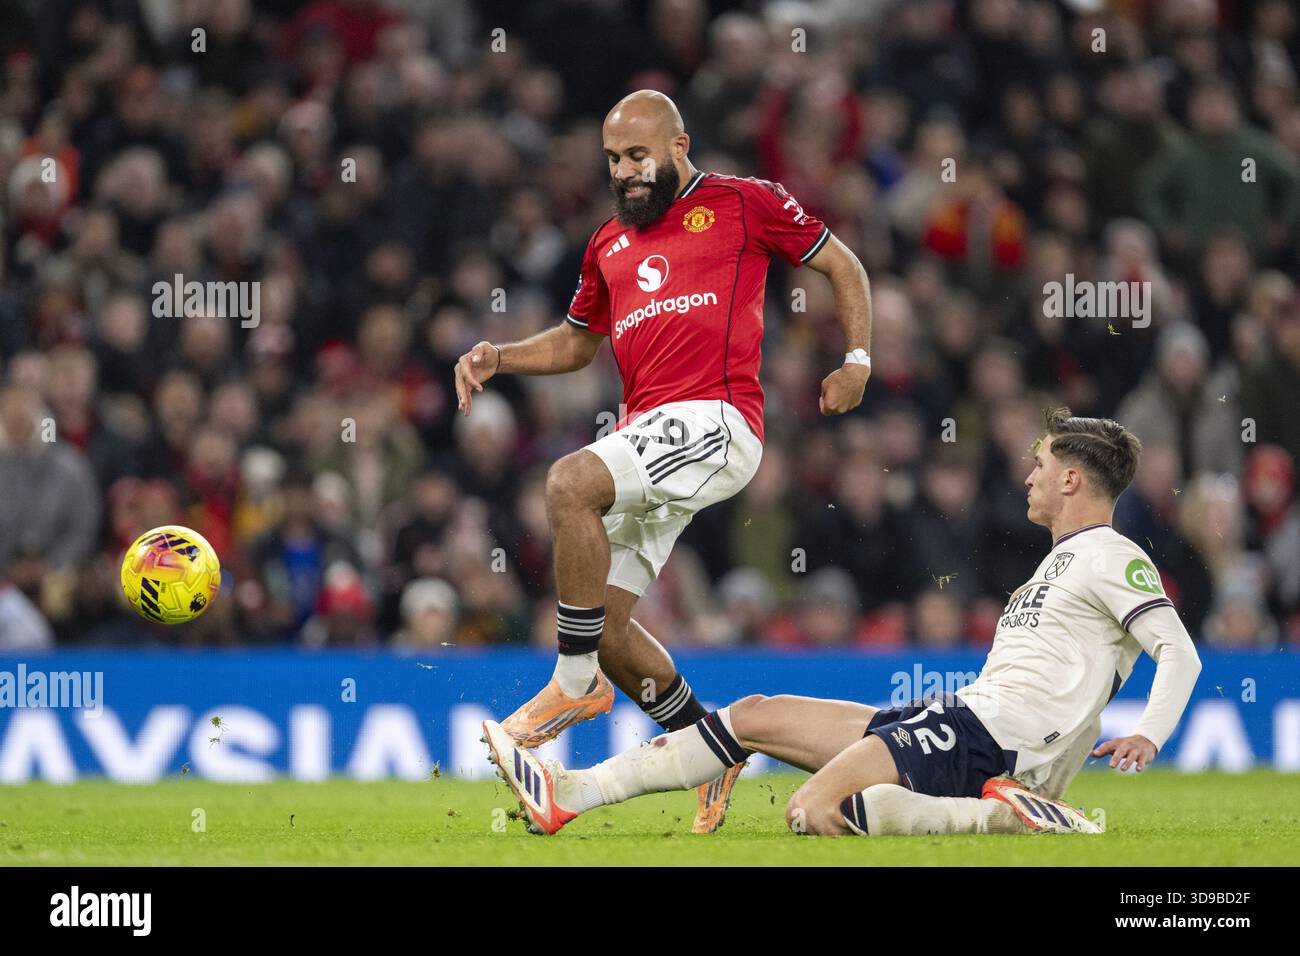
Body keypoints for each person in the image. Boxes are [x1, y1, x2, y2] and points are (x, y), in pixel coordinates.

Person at [453, 89, 873, 831]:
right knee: (608, 626)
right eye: (613, 160)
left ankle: (573, 684)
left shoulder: (746, 202)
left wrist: (858, 360)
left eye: (638, 156)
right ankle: (707, 747)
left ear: (680, 146)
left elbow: (844, 266)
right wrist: (502, 357)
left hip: (717, 418)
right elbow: (579, 342)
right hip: (653, 436)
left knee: (568, 482)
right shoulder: (608, 243)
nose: (625, 173)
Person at [484, 408, 1202, 837]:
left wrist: (1147, 732)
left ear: (1073, 480)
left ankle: (1006, 815)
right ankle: (569, 794)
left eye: (1041, 465)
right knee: (757, 715)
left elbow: (1180, 653)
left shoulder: (1112, 555)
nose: (1030, 476)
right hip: (964, 721)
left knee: (815, 810)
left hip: (1001, 743)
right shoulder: (1055, 567)